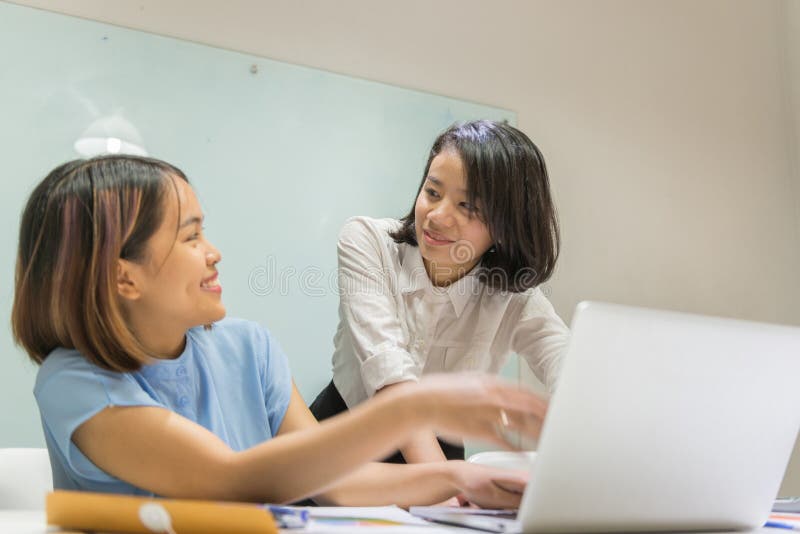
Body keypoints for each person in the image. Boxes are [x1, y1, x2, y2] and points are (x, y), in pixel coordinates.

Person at [11, 155, 548, 508]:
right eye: (191, 237)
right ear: (123, 275)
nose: (214, 253)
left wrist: (458, 480)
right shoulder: (72, 383)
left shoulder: (249, 348)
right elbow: (231, 481)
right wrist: (414, 406)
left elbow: (329, 479)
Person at [311, 120, 569, 469]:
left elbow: (570, 370)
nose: (438, 216)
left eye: (469, 207)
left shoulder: (515, 298)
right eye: (432, 193)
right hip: (343, 439)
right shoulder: (368, 241)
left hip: (441, 449)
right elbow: (391, 378)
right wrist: (443, 484)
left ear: (508, 224)